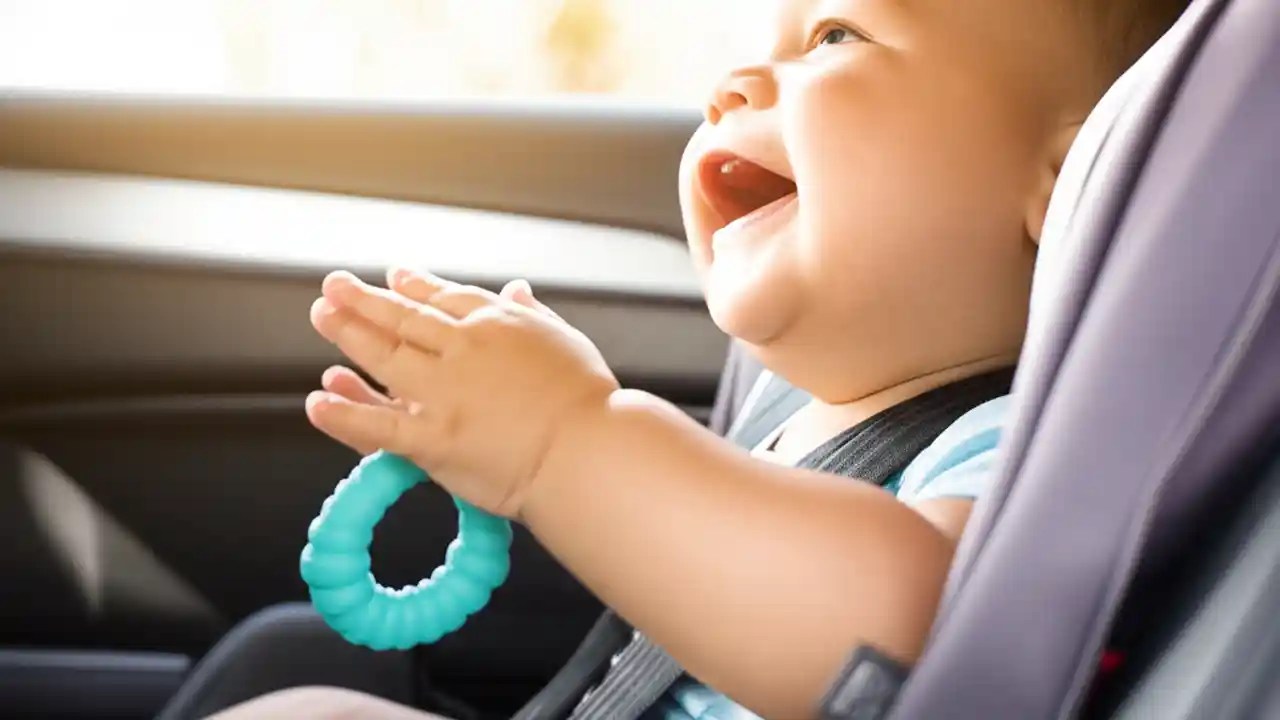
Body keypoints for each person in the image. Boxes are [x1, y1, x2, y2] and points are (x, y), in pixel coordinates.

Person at [210, 0, 1187, 717]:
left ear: (1066, 183)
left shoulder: (1011, 448)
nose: (730, 86)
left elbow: (908, 636)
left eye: (833, 37)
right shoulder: (791, 412)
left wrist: (568, 444)